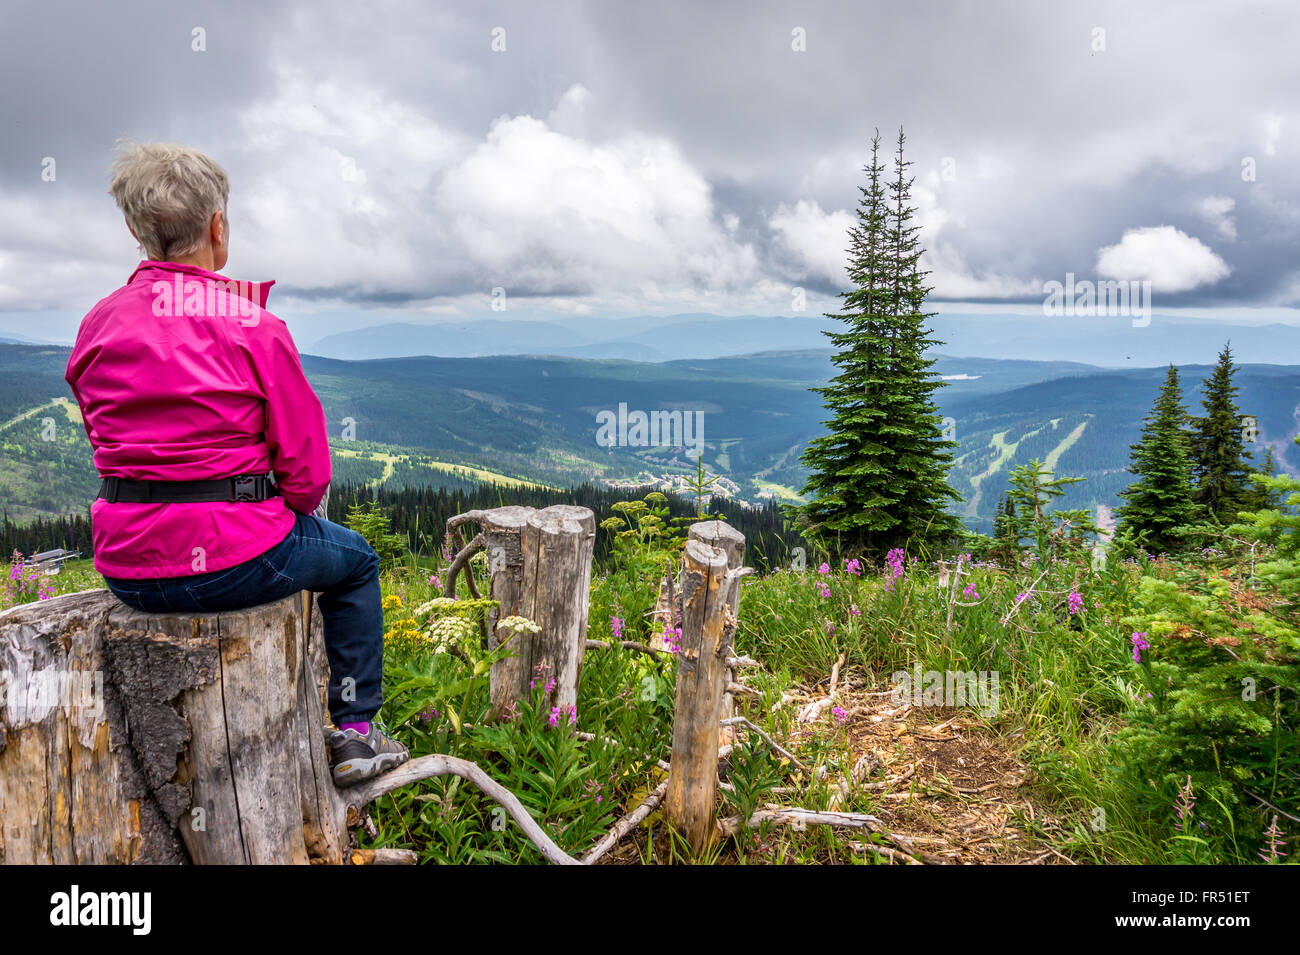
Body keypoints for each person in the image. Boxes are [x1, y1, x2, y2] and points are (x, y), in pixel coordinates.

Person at [65, 141, 407, 787]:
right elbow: (308, 475)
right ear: (217, 227)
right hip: (238, 556)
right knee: (357, 562)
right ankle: (357, 731)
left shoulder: (96, 326)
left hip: (127, 568)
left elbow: (101, 433)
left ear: (137, 231)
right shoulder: (254, 325)